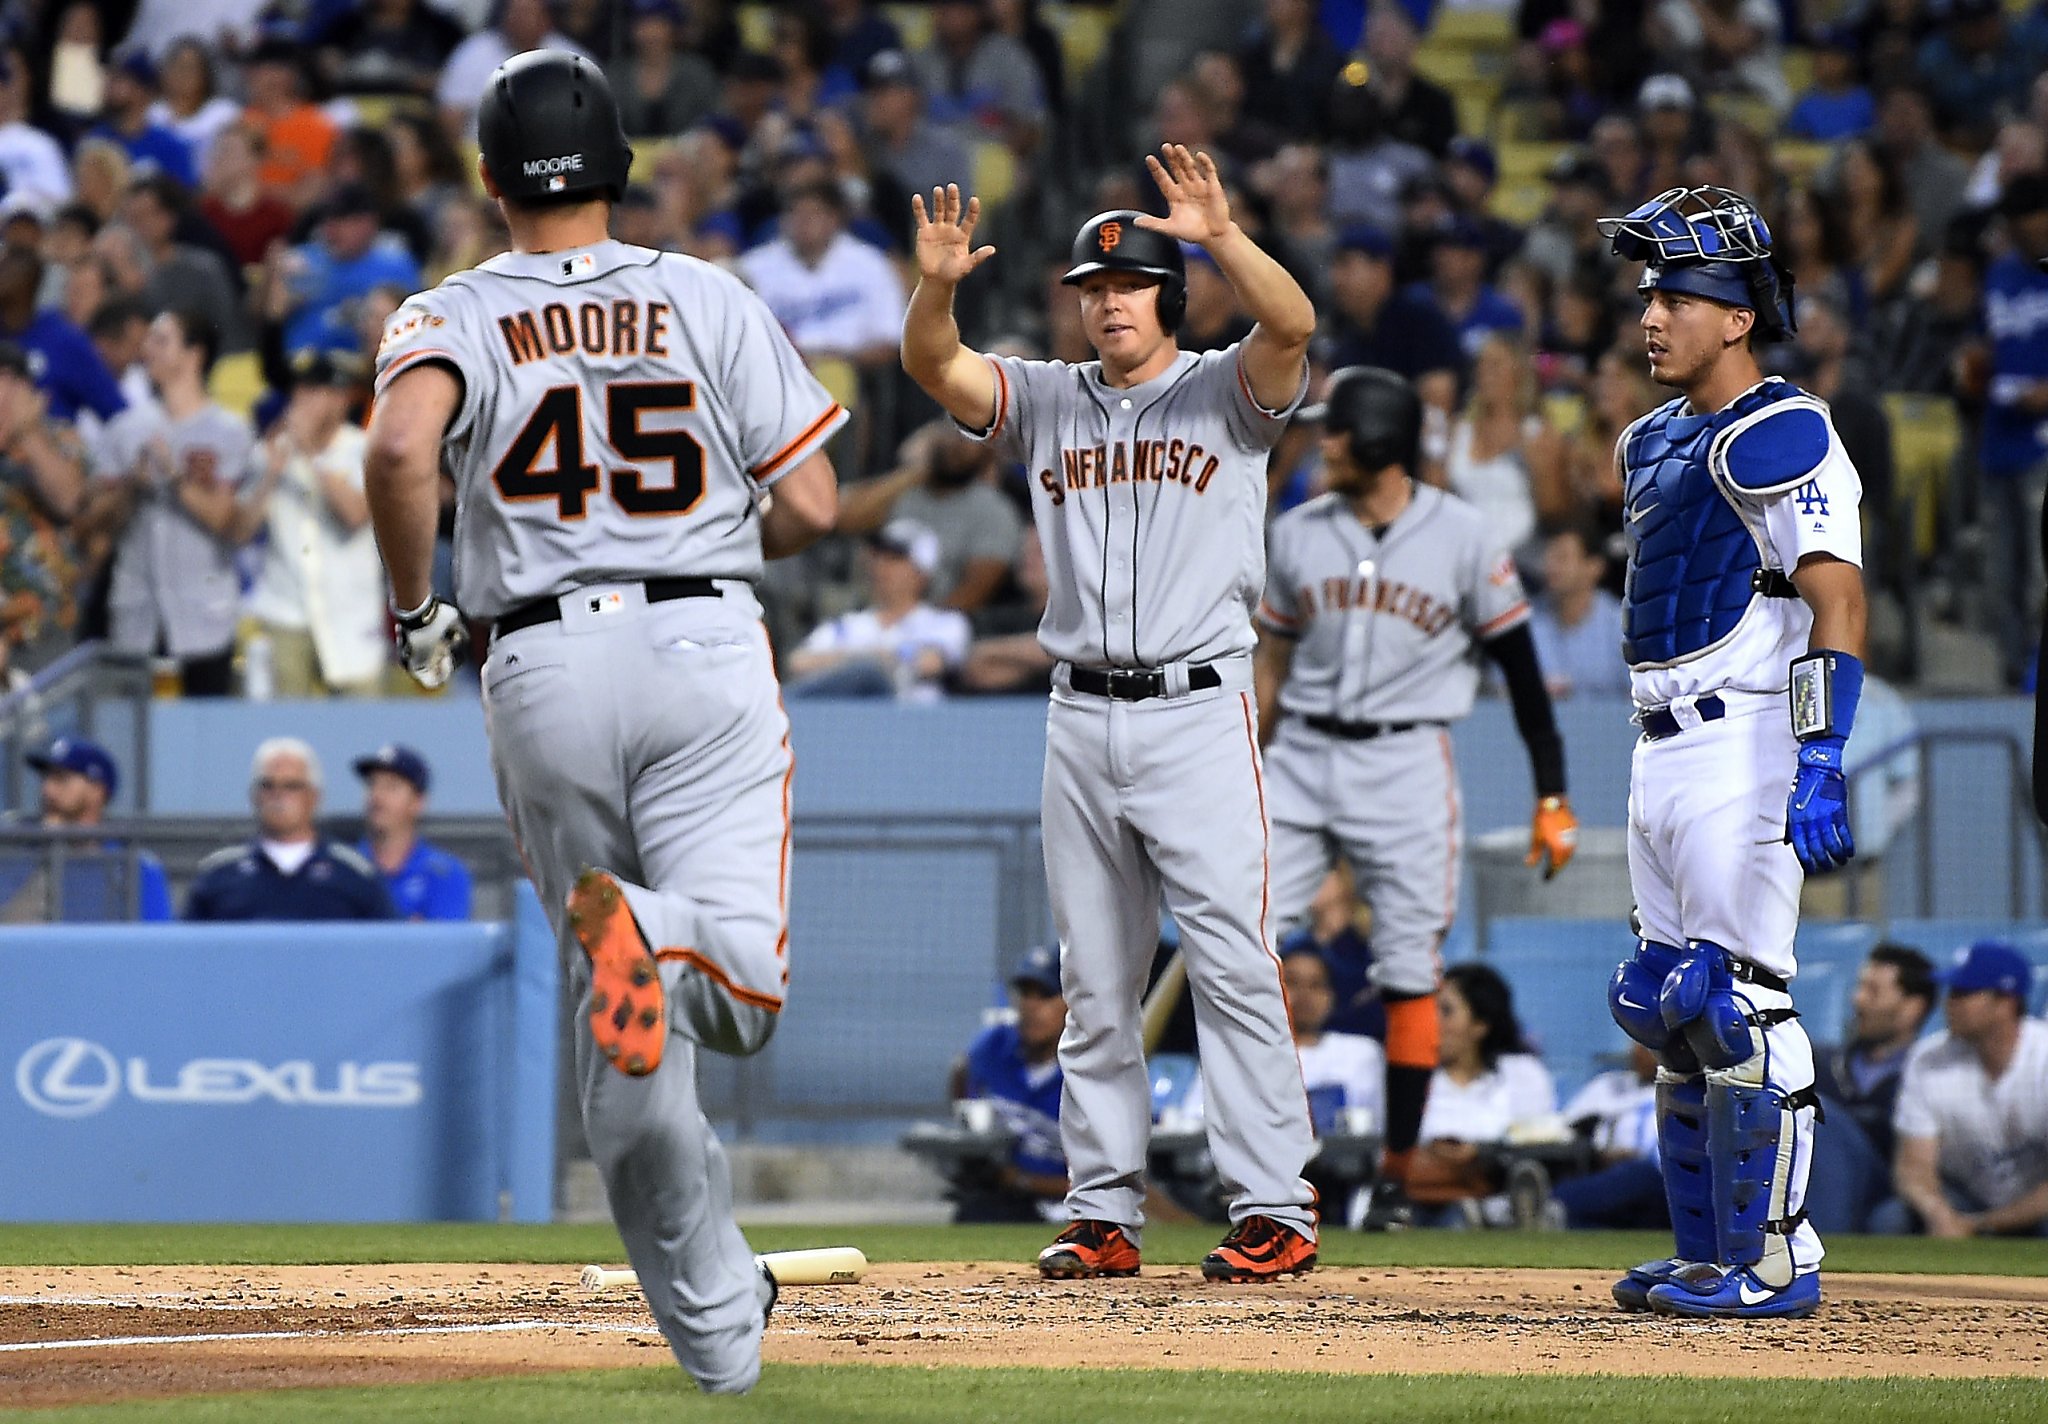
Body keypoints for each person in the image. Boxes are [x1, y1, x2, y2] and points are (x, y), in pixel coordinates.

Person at [363, 51, 842, 1395]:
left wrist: (416, 613)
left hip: (539, 666)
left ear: (486, 176)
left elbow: (401, 452)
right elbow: (813, 509)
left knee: (614, 1031)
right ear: (622, 164)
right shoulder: (705, 293)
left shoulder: (451, 308)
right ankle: (667, 935)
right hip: (701, 639)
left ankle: (717, 1340)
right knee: (731, 985)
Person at [900, 150, 1321, 1283]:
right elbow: (934, 365)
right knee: (1095, 977)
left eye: (1127, 285)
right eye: (1091, 289)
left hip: (1196, 709)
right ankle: (1101, 1210)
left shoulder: (1225, 391)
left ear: (1165, 296)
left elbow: (1293, 325)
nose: (1105, 303)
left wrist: (1223, 236)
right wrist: (936, 285)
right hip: (1078, 714)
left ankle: (1273, 1202)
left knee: (1232, 961)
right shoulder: (1045, 396)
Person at [1598, 184, 1869, 1319]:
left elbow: (1835, 597)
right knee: (1665, 1006)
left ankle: (1777, 1260)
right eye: (1649, 292)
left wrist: (1819, 755)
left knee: (1740, 1003)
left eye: (1676, 293)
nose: (1651, 313)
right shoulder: (1648, 436)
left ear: (1735, 315)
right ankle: (1708, 1253)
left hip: (1742, 740)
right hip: (1654, 742)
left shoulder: (1783, 428)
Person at [1255, 365, 1577, 1231]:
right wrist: (1243, 755)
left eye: (1337, 430)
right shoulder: (1296, 532)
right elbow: (1271, 662)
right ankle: (1269, 1160)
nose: (1321, 443)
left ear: (1382, 441)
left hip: (1406, 763)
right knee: (1241, 946)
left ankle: (1395, 1175)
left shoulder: (1465, 536)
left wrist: (1553, 791)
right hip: (1304, 754)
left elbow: (1519, 671)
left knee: (1408, 972)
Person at [76, 310, 254, 696]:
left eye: (161, 340)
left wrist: (174, 477)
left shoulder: (228, 430)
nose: (147, 350)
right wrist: (132, 487)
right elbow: (92, 523)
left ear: (194, 356)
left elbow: (226, 521)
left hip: (204, 614)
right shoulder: (126, 429)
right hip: (136, 612)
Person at [240, 349, 387, 697]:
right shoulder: (270, 452)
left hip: (351, 616)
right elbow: (240, 530)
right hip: (285, 612)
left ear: (340, 398)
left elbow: (354, 514)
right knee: (284, 731)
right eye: (299, 391)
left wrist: (309, 452)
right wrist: (270, 475)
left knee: (360, 729)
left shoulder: (364, 450)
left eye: (313, 391)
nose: (301, 401)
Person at [1887, 941, 2048, 1237]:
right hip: (1964, 1199)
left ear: (2006, 1002)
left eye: (1964, 993)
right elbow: (1913, 1167)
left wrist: (1984, 1224)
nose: (1950, 1002)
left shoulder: (2043, 1057)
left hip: (2036, 1207)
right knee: (1892, 1219)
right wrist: (1940, 1213)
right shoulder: (1929, 1057)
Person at [1407, 963, 1559, 1226]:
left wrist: (1481, 1155)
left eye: (1445, 1011)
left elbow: (1539, 1142)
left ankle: (1507, 1216)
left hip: (1498, 1194)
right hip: (1423, 1201)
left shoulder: (1522, 1074)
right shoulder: (1410, 1077)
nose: (1432, 1021)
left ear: (1480, 1025)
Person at [1805, 942, 1938, 1234]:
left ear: (1912, 1008)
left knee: (1821, 1112)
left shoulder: (1929, 1072)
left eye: (1873, 991)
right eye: (1859, 987)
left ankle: (1824, 1250)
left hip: (1888, 1187)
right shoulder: (1822, 1062)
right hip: (1812, 1184)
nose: (1858, 1000)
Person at [186, 738, 396, 921]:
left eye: (291, 786)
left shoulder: (353, 875)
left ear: (314, 797)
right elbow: (184, 955)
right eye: (268, 785)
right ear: (254, 796)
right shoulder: (219, 876)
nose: (278, 795)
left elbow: (390, 950)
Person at [834, 423, 1023, 612]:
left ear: (988, 452)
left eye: (968, 439)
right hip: (874, 615)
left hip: (940, 625)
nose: (955, 444)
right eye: (949, 433)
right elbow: (838, 516)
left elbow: (974, 592)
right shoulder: (907, 493)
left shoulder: (994, 510)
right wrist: (916, 471)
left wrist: (919, 624)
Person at [785, 518, 972, 701]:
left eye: (895, 559)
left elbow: (931, 663)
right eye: (879, 557)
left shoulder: (945, 622)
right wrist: (872, 659)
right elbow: (798, 663)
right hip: (849, 722)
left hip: (913, 721)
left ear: (921, 573)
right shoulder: (848, 624)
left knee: (871, 675)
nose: (882, 566)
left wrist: (855, 661)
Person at [949, 943, 1070, 1222]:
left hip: (1070, 1213)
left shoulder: (1091, 1070)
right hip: (1009, 1203)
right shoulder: (995, 1045)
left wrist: (1020, 1180)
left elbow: (1113, 1184)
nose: (1031, 1005)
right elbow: (962, 1072)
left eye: (1045, 994)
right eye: (1025, 993)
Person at [736, 181, 905, 373]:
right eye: (795, 214)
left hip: (856, 376)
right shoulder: (753, 268)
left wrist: (836, 360)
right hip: (779, 374)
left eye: (813, 214)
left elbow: (891, 341)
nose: (803, 222)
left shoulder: (871, 264)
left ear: (834, 219)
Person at [0, 736, 171, 922]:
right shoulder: (15, 854)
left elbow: (159, 943)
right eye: (45, 778)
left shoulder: (135, 866)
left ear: (97, 791)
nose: (47, 790)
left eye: (61, 778)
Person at [354, 743, 471, 921]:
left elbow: (442, 944)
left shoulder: (444, 874)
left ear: (418, 802)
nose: (377, 796)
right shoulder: (344, 869)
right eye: (372, 785)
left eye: (391, 787)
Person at [1529, 521, 1628, 699]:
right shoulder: (1527, 622)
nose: (1551, 566)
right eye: (1548, 556)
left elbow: (1640, 698)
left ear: (1594, 566)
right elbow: (1502, 694)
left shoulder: (1622, 626)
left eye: (1562, 558)